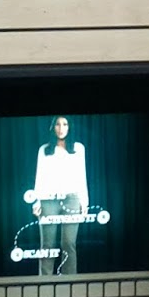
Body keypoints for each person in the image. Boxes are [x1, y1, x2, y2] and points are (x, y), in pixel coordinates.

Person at [31, 115, 89, 276]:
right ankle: (45, 283)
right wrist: (37, 202)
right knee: (47, 245)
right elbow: (39, 177)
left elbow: (81, 177)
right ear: (53, 127)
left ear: (70, 127)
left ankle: (69, 283)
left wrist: (84, 203)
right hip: (48, 200)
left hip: (72, 199)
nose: (61, 128)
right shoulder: (44, 150)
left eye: (65, 124)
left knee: (69, 243)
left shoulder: (78, 148)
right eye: (58, 124)